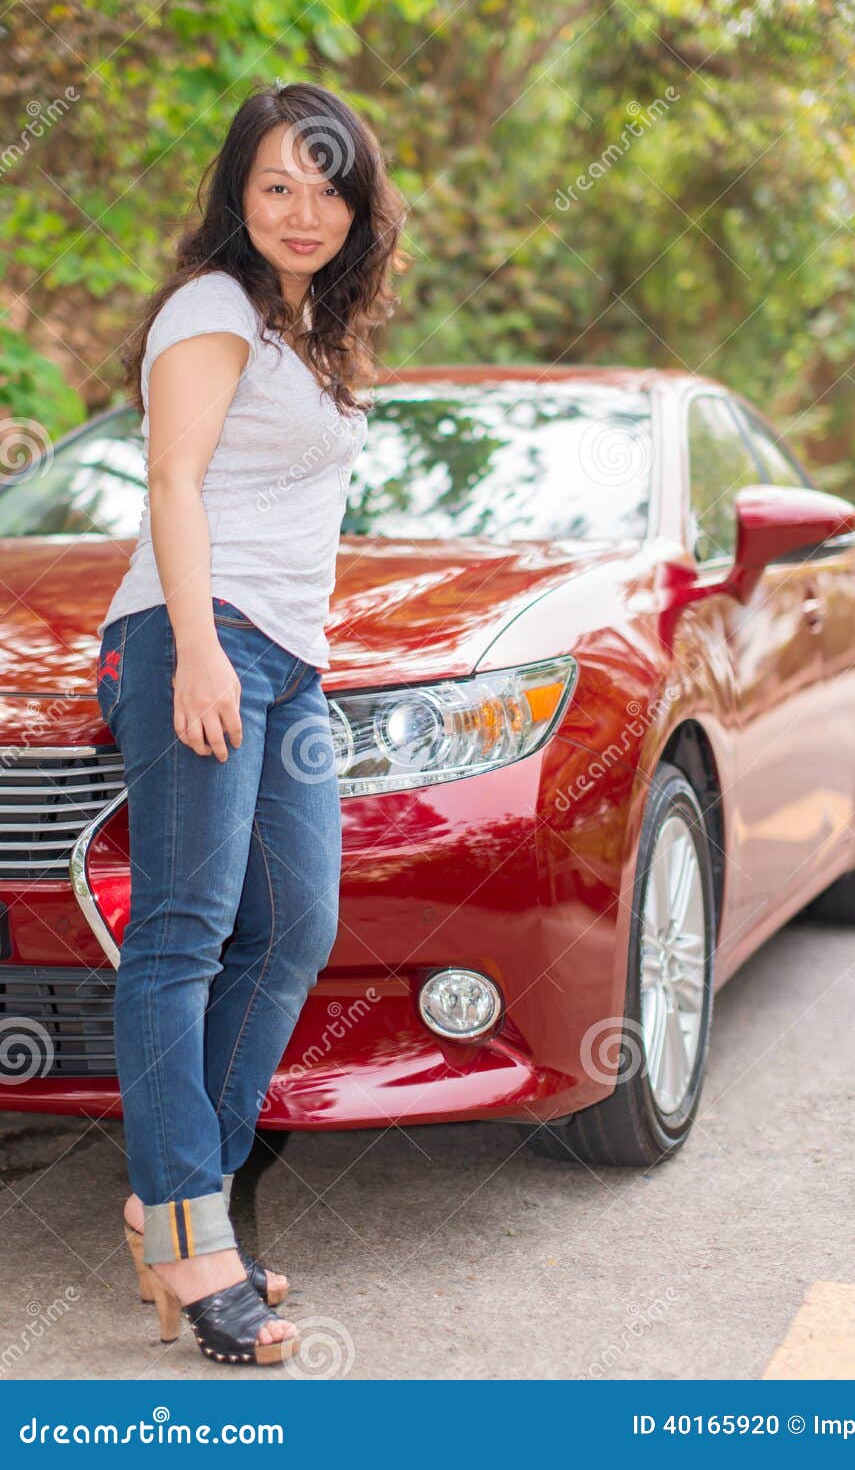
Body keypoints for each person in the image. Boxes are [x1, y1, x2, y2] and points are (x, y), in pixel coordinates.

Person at [94, 80, 406, 1365]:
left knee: (294, 925)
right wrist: (200, 650)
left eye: (326, 188)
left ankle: (179, 1206)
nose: (301, 210)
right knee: (183, 927)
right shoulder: (211, 307)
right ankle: (189, 1240)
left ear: (357, 206)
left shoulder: (313, 329)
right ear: (237, 193)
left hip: (291, 659)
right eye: (275, 184)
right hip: (195, 632)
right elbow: (170, 476)